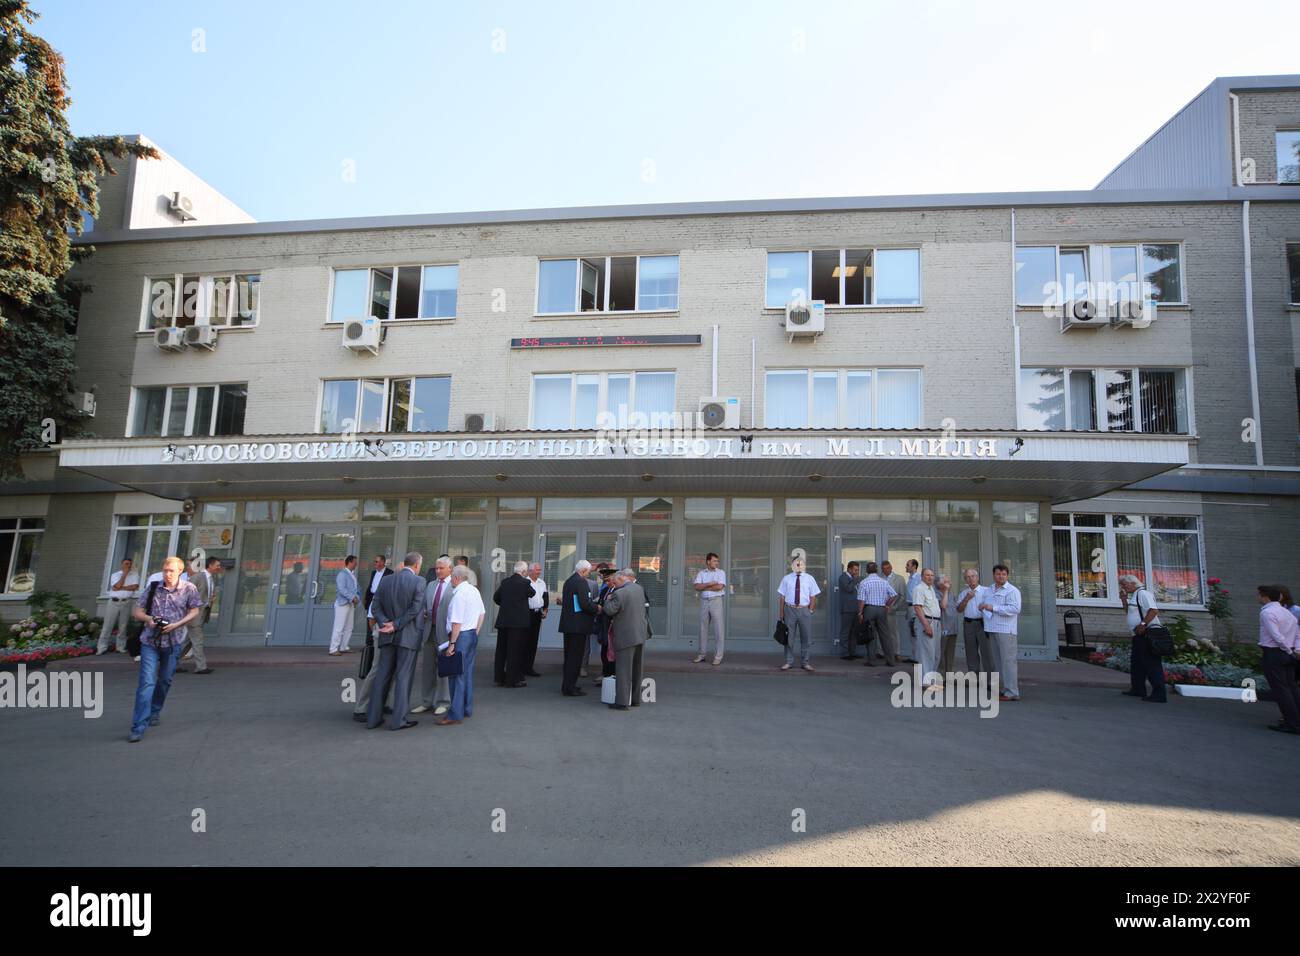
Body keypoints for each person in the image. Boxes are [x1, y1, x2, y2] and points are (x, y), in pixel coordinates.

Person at [127, 556, 202, 743]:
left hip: (173, 641)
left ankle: (155, 710)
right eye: (165, 570)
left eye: (172, 571)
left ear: (180, 571)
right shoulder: (154, 587)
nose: (167, 574)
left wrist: (178, 624)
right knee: (146, 683)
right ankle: (138, 726)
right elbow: (137, 610)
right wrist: (148, 619)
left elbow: (195, 610)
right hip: (150, 641)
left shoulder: (188, 588)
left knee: (165, 680)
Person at [366, 552, 426, 731]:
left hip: (386, 635)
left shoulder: (386, 580)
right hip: (407, 636)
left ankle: (373, 718)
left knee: (382, 677)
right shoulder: (419, 581)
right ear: (416, 565)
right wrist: (396, 625)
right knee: (403, 677)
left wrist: (386, 624)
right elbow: (415, 609)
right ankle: (398, 720)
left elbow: (375, 607)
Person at [439, 564, 485, 727]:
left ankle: (455, 714)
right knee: (466, 673)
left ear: (457, 578)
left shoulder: (459, 594)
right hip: (471, 634)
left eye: (452, 576)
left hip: (460, 636)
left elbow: (456, 622)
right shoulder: (474, 590)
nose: (450, 579)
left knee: (456, 675)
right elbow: (482, 613)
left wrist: (452, 644)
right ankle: (466, 708)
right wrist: (475, 632)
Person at [412, 556, 454, 717]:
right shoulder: (431, 585)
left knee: (444, 668)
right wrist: (423, 613)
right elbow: (424, 604)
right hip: (429, 631)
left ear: (450, 568)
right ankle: (426, 701)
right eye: (436, 568)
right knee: (428, 668)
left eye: (441, 568)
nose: (438, 571)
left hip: (445, 633)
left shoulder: (455, 585)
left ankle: (443, 701)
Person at [1257, 584, 1300, 734]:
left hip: (1275, 653)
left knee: (1281, 690)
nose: (1259, 598)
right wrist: (1295, 650)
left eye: (1260, 595)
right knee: (1291, 687)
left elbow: (1275, 635)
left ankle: (1292, 723)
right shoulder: (1288, 613)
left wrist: (1287, 649)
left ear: (1266, 597)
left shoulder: (1267, 613)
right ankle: (1296, 720)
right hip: (1289, 653)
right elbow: (1297, 634)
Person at [602, 569, 647, 710]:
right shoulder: (639, 589)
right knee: (637, 669)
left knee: (623, 670)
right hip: (640, 634)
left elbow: (609, 610)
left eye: (615, 582)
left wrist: (608, 600)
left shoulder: (619, 593)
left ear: (621, 579)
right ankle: (635, 700)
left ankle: (621, 702)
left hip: (625, 636)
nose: (614, 585)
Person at [1119, 574, 1166, 703]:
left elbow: (1153, 610)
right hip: (1138, 635)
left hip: (1147, 634)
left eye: (1124, 584)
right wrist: (1123, 599)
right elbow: (1130, 611)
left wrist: (1143, 624)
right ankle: (1138, 688)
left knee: (1151, 663)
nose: (1123, 587)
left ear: (1133, 583)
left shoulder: (1143, 594)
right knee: (1137, 663)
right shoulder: (1134, 595)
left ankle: (1159, 693)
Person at [980, 564, 1022, 701]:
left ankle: (1012, 692)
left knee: (1008, 661)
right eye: (998, 574)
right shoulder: (989, 590)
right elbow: (985, 604)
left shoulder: (1012, 591)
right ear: (994, 575)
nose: (1001, 576)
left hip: (1006, 630)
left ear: (1007, 576)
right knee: (998, 661)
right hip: (991, 629)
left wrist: (993, 608)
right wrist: (983, 607)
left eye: (1004, 574)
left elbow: (1015, 609)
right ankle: (1004, 689)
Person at [558, 559, 597, 696]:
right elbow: (585, 603)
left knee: (569, 657)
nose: (589, 574)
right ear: (583, 571)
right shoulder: (581, 582)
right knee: (575, 658)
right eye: (588, 572)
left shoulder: (569, 581)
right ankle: (569, 688)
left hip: (569, 625)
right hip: (578, 626)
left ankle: (568, 685)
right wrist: (597, 608)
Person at [493, 561, 534, 688]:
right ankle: (512, 680)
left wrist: (506, 605)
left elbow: (496, 597)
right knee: (514, 651)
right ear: (523, 572)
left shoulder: (505, 582)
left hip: (504, 621)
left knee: (501, 650)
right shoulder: (525, 583)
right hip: (518, 623)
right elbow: (532, 593)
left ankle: (499, 678)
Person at [179, 555, 223, 674]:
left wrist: (210, 599)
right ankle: (201, 667)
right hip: (194, 615)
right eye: (217, 565)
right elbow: (185, 594)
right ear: (210, 565)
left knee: (187, 642)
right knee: (198, 640)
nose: (219, 567)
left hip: (202, 614)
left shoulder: (211, 578)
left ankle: (171, 663)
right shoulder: (198, 577)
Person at [777, 557, 819, 672]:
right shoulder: (786, 579)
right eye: (797, 564)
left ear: (804, 565)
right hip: (789, 610)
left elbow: (813, 595)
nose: (799, 565)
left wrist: (810, 610)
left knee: (806, 637)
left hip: (804, 610)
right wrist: (781, 612)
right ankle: (788, 662)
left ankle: (805, 662)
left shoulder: (810, 578)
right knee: (789, 637)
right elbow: (782, 597)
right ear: (792, 565)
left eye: (801, 564)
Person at [855, 561, 896, 668]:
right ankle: (890, 660)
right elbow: (893, 595)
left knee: (870, 634)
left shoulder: (864, 582)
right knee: (885, 635)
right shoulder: (884, 581)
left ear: (867, 570)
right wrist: (887, 605)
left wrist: (860, 613)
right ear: (877, 570)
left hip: (869, 609)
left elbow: (861, 600)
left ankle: (871, 661)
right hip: (881, 609)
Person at [98, 558, 139, 655]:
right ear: (122, 564)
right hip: (113, 602)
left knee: (123, 626)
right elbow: (116, 586)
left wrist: (122, 587)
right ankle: (101, 647)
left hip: (126, 602)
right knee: (107, 626)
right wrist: (124, 575)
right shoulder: (115, 575)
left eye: (130, 564)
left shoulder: (134, 575)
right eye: (126, 563)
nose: (128, 566)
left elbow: (135, 587)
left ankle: (120, 647)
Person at [693, 551, 727, 665]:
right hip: (704, 602)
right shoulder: (701, 573)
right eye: (714, 561)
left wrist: (705, 587)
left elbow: (720, 587)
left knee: (719, 629)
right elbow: (696, 587)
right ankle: (701, 655)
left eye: (717, 561)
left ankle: (718, 656)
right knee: (703, 629)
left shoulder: (721, 573)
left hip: (716, 601)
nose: (716, 563)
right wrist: (709, 584)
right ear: (708, 561)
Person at [956, 569, 992, 675]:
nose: (970, 579)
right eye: (967, 577)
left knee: (987, 653)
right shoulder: (963, 593)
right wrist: (966, 599)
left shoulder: (987, 591)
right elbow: (959, 610)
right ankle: (974, 678)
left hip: (983, 623)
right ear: (965, 579)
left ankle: (990, 680)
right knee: (971, 652)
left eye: (973, 576)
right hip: (969, 624)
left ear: (977, 577)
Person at [911, 568, 942, 687]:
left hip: (936, 622)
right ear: (922, 577)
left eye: (932, 575)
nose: (930, 577)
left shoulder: (931, 589)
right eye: (927, 575)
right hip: (927, 621)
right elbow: (918, 608)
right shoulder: (919, 589)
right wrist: (926, 626)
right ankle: (926, 682)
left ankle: (931, 679)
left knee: (935, 654)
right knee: (927, 653)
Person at [329, 554, 360, 656]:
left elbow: (357, 589)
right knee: (339, 627)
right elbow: (341, 589)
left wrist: (356, 599)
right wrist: (352, 598)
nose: (356, 564)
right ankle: (333, 649)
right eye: (355, 562)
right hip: (342, 604)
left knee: (349, 627)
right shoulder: (342, 574)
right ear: (350, 562)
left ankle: (344, 647)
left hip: (350, 604)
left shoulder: (352, 574)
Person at [593, 565, 618, 683]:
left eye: (608, 580)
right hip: (603, 625)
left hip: (612, 627)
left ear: (614, 579)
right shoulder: (605, 590)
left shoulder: (618, 591)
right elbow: (600, 602)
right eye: (605, 580)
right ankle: (606, 673)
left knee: (611, 652)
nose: (606, 582)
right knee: (604, 651)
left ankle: (611, 675)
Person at [882, 561, 908, 666]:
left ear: (891, 567)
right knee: (880, 632)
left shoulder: (899, 579)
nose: (886, 570)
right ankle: (881, 652)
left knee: (893, 632)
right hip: (880, 609)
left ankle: (896, 653)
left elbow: (902, 596)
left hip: (891, 610)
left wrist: (895, 607)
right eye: (883, 569)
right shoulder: (880, 578)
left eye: (887, 568)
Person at [525, 563, 547, 677]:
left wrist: (545, 610)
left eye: (540, 570)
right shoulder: (525, 582)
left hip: (538, 614)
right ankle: (521, 666)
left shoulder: (542, 583)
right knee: (525, 641)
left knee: (533, 641)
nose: (539, 572)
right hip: (527, 614)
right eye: (537, 570)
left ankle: (529, 667)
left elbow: (545, 597)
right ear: (530, 571)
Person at [837, 560, 861, 661]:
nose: (857, 572)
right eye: (855, 570)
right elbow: (849, 589)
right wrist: (855, 580)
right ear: (849, 569)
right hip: (847, 609)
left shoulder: (853, 578)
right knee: (845, 632)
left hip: (856, 608)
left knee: (854, 632)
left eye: (857, 570)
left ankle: (853, 652)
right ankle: (845, 653)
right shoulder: (843, 577)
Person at [937, 574, 960, 677]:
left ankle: (949, 675)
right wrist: (945, 591)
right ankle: (941, 675)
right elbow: (943, 606)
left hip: (953, 628)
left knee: (950, 653)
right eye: (946, 582)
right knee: (941, 652)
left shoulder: (952, 594)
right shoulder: (937, 593)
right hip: (943, 627)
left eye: (949, 581)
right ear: (940, 584)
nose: (949, 584)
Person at [364, 554, 392, 628]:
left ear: (382, 562)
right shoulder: (373, 572)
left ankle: (378, 639)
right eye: (375, 561)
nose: (375, 563)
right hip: (372, 599)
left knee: (381, 623)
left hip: (382, 601)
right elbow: (371, 586)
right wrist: (366, 599)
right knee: (370, 623)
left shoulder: (390, 573)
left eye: (376, 561)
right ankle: (369, 639)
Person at [903, 559, 922, 662]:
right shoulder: (910, 578)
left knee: (916, 632)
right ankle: (913, 657)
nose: (906, 567)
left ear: (914, 566)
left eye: (908, 565)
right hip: (910, 608)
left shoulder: (919, 579)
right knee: (912, 633)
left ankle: (918, 658)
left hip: (916, 608)